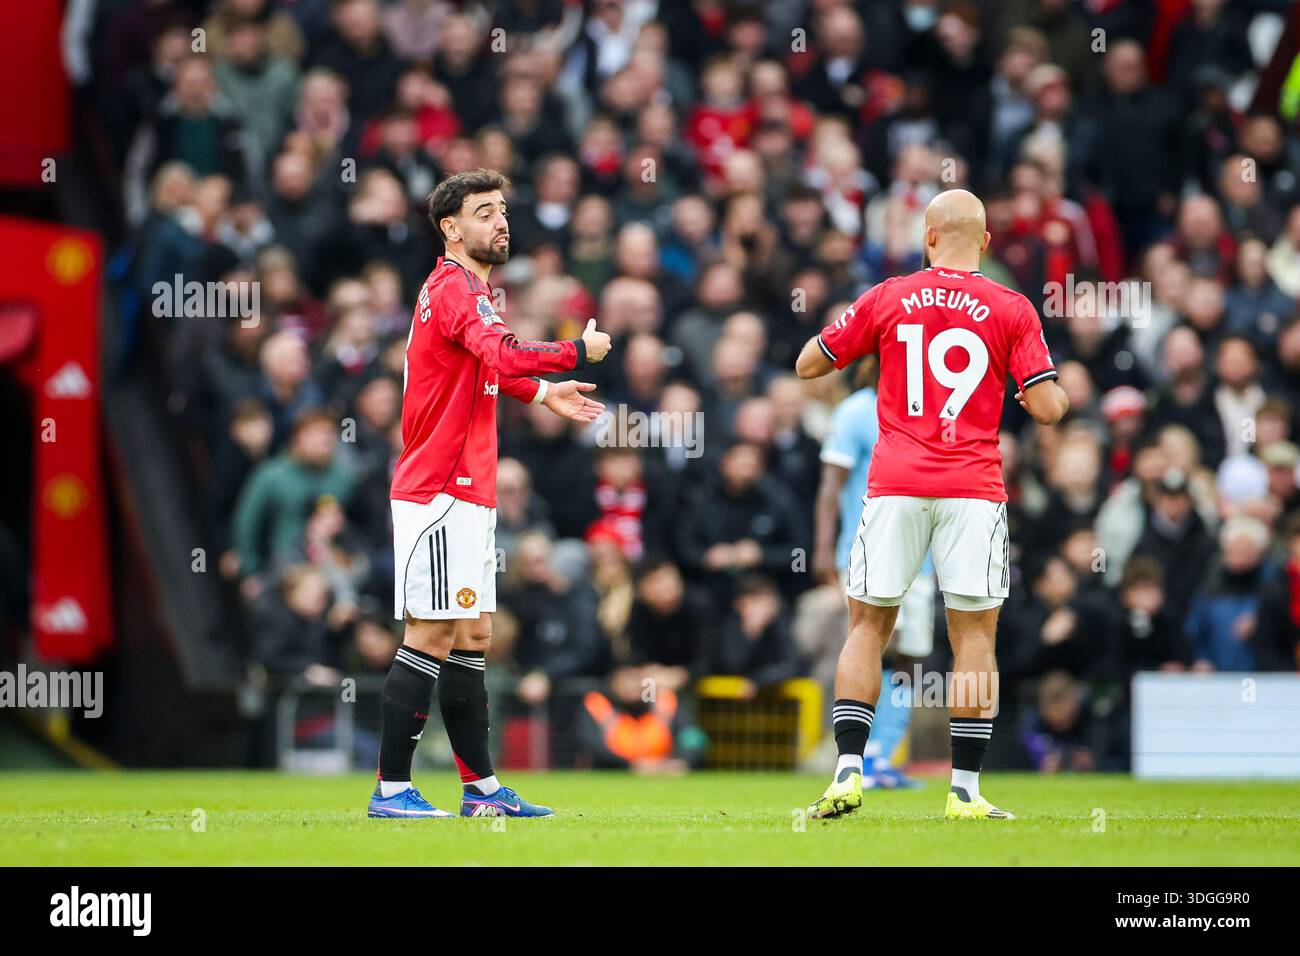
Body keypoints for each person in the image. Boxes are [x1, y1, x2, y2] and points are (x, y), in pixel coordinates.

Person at [795, 189, 1069, 820]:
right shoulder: (1011, 307)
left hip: (895, 483)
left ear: (928, 236)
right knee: (973, 635)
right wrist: (1038, 388)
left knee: (868, 626)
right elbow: (1049, 409)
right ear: (987, 242)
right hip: (973, 488)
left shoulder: (889, 295)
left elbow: (811, 363)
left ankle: (846, 775)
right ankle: (965, 792)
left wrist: (865, 337)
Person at [368, 168, 612, 820]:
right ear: (450, 228)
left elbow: (480, 368)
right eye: (484, 212)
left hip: (467, 491)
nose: (500, 222)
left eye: (503, 210)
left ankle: (480, 791)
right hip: (440, 488)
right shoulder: (455, 288)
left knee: (472, 633)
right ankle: (391, 789)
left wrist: (542, 393)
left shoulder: (469, 291)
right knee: (432, 630)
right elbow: (501, 354)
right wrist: (575, 352)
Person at [813, 358, 931, 789]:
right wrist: (824, 549)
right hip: (867, 549)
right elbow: (831, 487)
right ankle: (856, 756)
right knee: (877, 643)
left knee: (909, 659)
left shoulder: (928, 409)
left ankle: (880, 755)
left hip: (923, 555)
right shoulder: (858, 411)